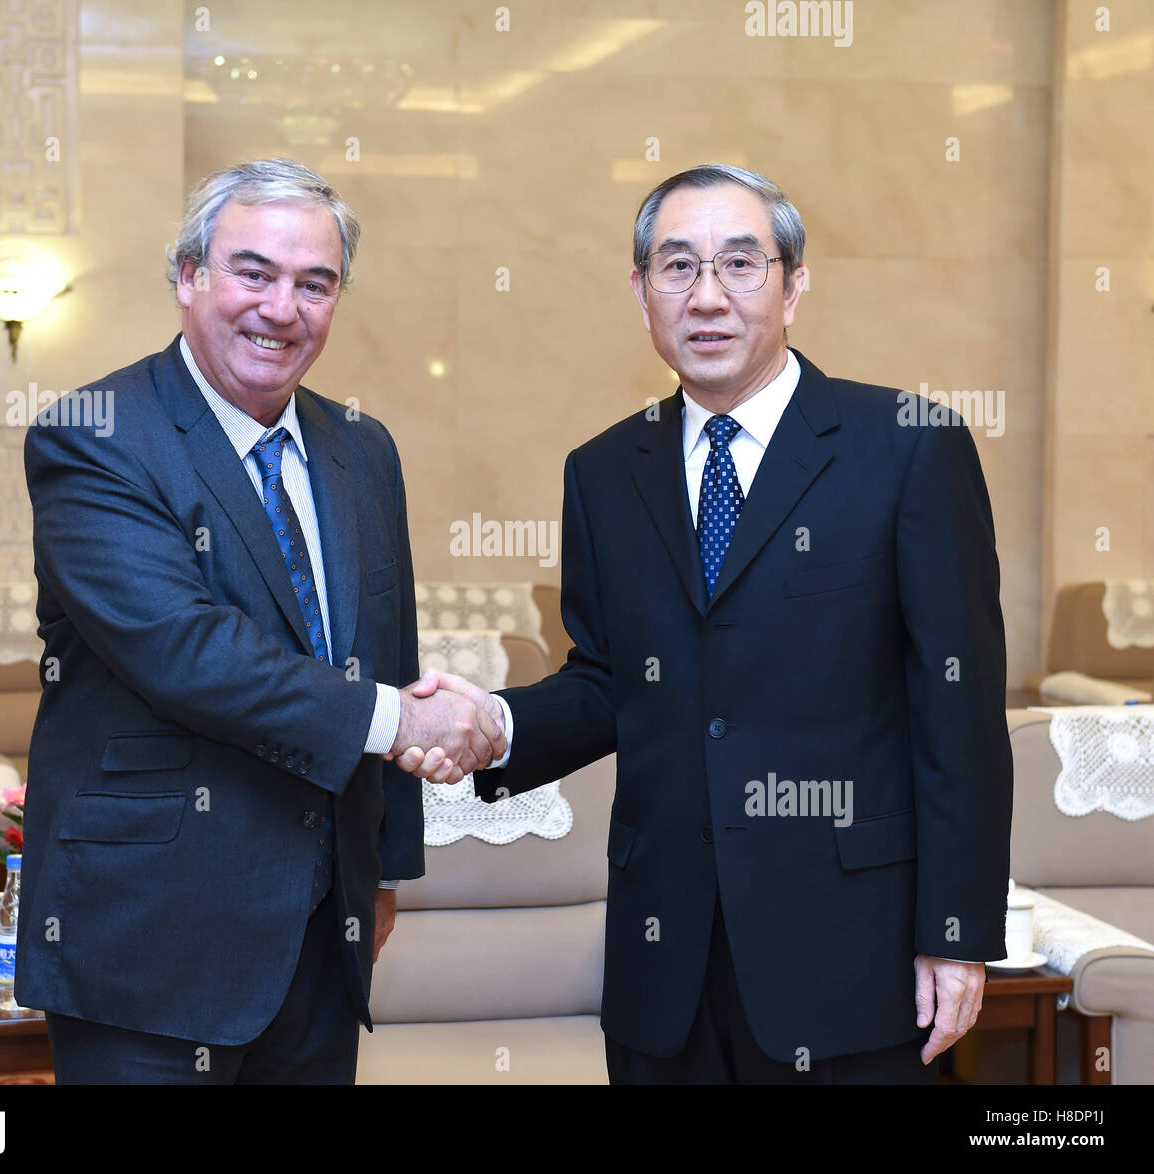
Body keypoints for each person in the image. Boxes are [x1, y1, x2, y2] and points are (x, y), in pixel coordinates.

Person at [399, 164, 1013, 1084]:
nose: (709, 296)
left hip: (852, 954)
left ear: (795, 284)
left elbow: (959, 713)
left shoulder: (908, 445)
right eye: (677, 267)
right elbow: (609, 679)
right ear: (641, 292)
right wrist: (497, 723)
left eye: (741, 264)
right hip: (666, 959)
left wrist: (956, 935)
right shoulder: (604, 471)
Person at [18, 158, 504, 1084]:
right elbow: (186, 651)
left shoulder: (362, 447)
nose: (282, 309)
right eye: (254, 272)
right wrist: (409, 721)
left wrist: (387, 869)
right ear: (188, 277)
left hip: (325, 931)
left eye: (314, 284)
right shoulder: (95, 434)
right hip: (148, 944)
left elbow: (385, 651)